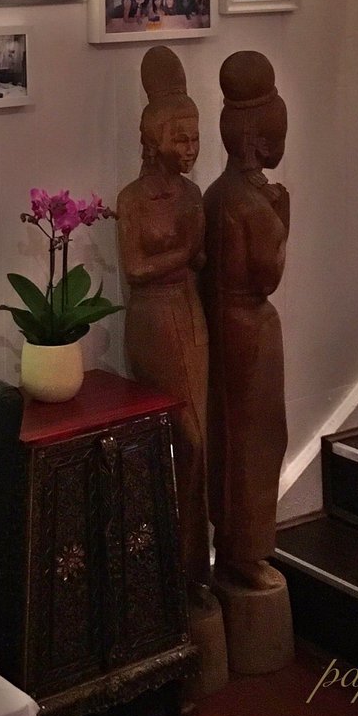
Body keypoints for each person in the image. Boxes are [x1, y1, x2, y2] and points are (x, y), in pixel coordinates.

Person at [117, 47, 213, 606]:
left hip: (189, 312)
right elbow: (135, 268)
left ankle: (194, 569)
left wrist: (188, 256)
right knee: (177, 436)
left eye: (195, 138)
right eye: (182, 139)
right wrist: (184, 252)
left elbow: (200, 260)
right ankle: (163, 570)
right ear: (155, 140)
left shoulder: (193, 195)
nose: (191, 149)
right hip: (152, 320)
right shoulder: (132, 199)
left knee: (199, 438)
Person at [202, 52, 290, 595]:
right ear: (257, 140)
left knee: (236, 434)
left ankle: (234, 539)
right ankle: (246, 549)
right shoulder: (253, 204)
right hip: (250, 325)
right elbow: (268, 275)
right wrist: (284, 213)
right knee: (256, 438)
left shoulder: (218, 193)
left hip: (226, 323)